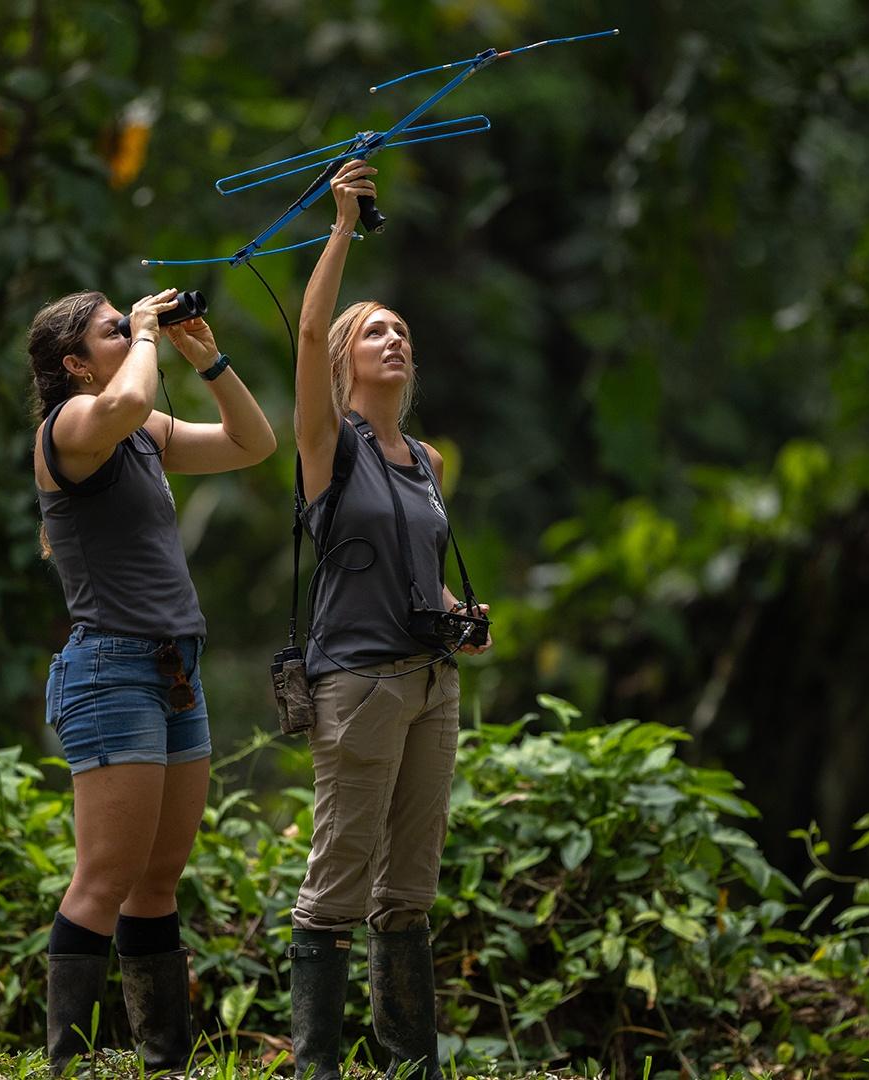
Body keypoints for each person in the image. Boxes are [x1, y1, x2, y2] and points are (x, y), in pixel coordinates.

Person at [26, 288, 276, 1074]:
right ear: (75, 364)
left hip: (174, 671)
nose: (133, 334)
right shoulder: (72, 425)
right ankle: (68, 1063)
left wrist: (210, 360)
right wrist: (142, 334)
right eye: (111, 330)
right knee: (105, 877)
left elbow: (253, 443)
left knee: (159, 879)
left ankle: (166, 1061)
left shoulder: (138, 433)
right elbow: (129, 399)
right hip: (112, 670)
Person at [286, 161, 492, 1080]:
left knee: (408, 887)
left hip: (431, 687)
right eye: (375, 330)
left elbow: (421, 576)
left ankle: (412, 1065)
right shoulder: (329, 444)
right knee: (337, 881)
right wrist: (341, 226)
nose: (395, 338)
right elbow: (303, 332)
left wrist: (460, 617)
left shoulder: (429, 461)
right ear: (345, 359)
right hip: (359, 683)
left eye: (401, 329)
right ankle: (318, 1066)